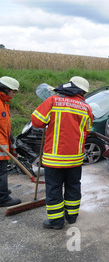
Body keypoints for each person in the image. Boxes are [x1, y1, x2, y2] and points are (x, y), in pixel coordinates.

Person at [31, 76, 93, 229]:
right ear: (81, 92)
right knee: (73, 186)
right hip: (75, 159)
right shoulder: (86, 107)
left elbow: (36, 122)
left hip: (54, 158)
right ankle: (71, 217)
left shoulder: (53, 100)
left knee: (54, 188)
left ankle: (56, 221)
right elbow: (87, 131)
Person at [0, 76, 22, 207]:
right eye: (13, 91)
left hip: (3, 141)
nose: (14, 94)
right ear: (6, 89)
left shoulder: (4, 103)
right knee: (2, 172)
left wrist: (11, 137)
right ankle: (3, 198)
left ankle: (1, 191)